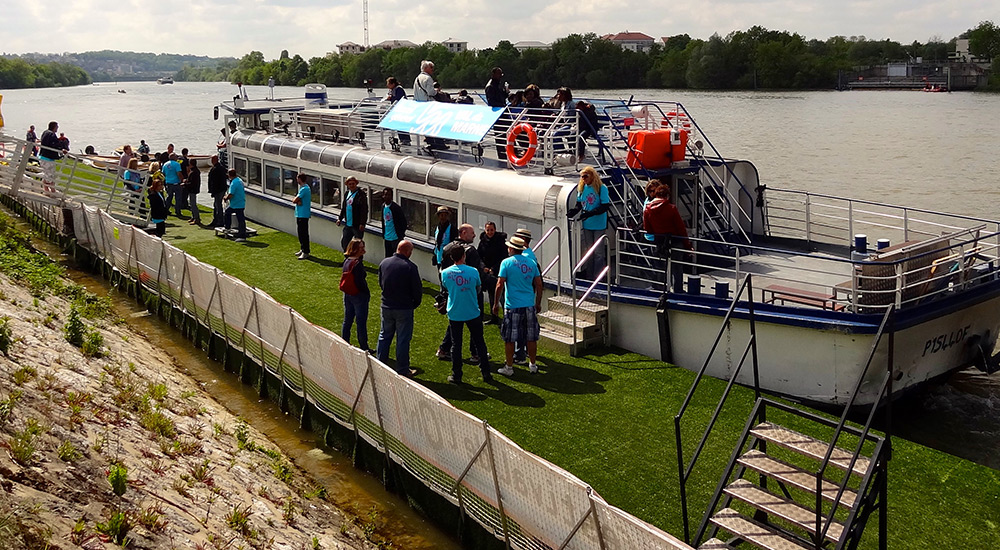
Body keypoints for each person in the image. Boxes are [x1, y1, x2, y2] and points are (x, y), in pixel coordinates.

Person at [441, 245, 492, 384]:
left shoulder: (445, 273)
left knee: (456, 345)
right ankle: (486, 373)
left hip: (455, 312)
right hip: (472, 311)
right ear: (464, 256)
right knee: (479, 342)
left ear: (451, 257)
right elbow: (478, 289)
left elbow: (446, 288)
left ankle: (456, 375)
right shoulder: (473, 271)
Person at [494, 236, 543, 375]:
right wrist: (537, 302)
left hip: (512, 306)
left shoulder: (506, 263)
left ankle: (509, 367)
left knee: (510, 338)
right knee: (531, 337)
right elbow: (539, 284)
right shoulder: (531, 263)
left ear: (511, 248)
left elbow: (499, 284)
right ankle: (533, 365)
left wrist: (495, 303)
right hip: (529, 304)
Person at [436, 224, 485, 361]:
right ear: (463, 233)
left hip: (454, 293)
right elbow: (478, 276)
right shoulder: (471, 251)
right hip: (471, 294)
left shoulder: (447, 248)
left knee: (455, 322)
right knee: (475, 324)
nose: (474, 236)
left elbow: (442, 273)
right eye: (472, 233)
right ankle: (475, 353)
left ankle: (444, 349)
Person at [377, 240, 422, 377]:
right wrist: (414, 304)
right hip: (404, 308)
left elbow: (381, 283)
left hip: (386, 305)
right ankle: (402, 369)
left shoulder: (384, 263)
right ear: (407, 251)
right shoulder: (410, 267)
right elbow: (417, 290)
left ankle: (380, 364)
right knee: (402, 339)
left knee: (384, 335)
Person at [643, 183, 691, 290]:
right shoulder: (672, 208)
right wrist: (687, 246)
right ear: (667, 196)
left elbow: (648, 229)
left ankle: (661, 289)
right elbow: (681, 229)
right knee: (677, 267)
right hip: (675, 240)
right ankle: (678, 291)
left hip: (659, 241)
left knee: (660, 267)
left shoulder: (647, 209)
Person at [568, 166, 610, 280]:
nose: (584, 179)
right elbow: (579, 204)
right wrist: (574, 211)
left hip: (599, 223)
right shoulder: (581, 188)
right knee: (589, 251)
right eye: (582, 177)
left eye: (586, 176)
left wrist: (590, 213)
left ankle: (599, 276)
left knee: (598, 252)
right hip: (587, 223)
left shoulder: (601, 188)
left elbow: (605, 206)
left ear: (592, 176)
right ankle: (590, 275)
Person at [341, 238, 371, 353]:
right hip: (359, 296)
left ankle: (344, 341)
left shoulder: (347, 261)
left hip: (348, 294)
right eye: (361, 248)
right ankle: (364, 346)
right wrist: (366, 293)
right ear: (355, 249)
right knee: (361, 322)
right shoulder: (357, 264)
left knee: (347, 320)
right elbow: (360, 282)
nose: (363, 250)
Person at [477, 221, 508, 325]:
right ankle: (494, 317)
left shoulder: (501, 241)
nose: (490, 232)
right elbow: (479, 256)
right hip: (487, 273)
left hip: (499, 272)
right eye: (488, 230)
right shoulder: (482, 241)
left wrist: (494, 268)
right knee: (491, 294)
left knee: (502, 295)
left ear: (495, 230)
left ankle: (506, 317)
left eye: (492, 230)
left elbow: (503, 258)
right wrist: (483, 267)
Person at [413, 60, 446, 150]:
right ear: (426, 68)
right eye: (431, 68)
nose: (433, 70)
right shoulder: (428, 78)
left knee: (426, 125)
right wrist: (437, 91)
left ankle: (430, 142)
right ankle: (439, 144)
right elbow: (431, 92)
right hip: (428, 105)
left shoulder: (417, 78)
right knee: (435, 124)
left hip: (420, 105)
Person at [337, 176, 367, 251]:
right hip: (348, 224)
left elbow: (364, 210)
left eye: (353, 184)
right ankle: (347, 260)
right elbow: (344, 207)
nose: (351, 185)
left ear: (356, 184)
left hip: (357, 225)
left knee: (358, 245)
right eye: (349, 184)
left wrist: (362, 223)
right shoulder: (347, 193)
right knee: (345, 242)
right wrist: (340, 218)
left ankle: (358, 261)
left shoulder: (361, 194)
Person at [38, 121, 64, 192]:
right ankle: (51, 190)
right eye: (57, 127)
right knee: (50, 175)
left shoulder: (45, 133)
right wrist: (61, 150)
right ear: (54, 127)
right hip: (48, 158)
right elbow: (54, 145)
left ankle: (48, 190)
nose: (57, 128)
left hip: (43, 156)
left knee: (47, 174)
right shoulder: (51, 134)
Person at [380, 188, 406, 259]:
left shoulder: (396, 208)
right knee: (388, 257)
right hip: (387, 237)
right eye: (385, 195)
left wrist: (400, 234)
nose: (387, 196)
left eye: (389, 195)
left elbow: (403, 222)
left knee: (396, 257)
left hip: (395, 238)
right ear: (383, 196)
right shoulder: (383, 207)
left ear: (391, 196)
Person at [224, 168, 248, 242]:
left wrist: (225, 198)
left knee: (239, 219)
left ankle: (241, 235)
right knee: (238, 218)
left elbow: (231, 194)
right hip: (239, 202)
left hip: (236, 204)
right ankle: (235, 231)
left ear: (229, 175)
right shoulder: (239, 180)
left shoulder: (234, 183)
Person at [292, 172, 312, 259]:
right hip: (300, 214)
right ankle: (302, 248)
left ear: (300, 179)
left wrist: (297, 200)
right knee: (300, 233)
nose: (296, 180)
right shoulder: (303, 188)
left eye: (297, 178)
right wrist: (298, 201)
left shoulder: (305, 189)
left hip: (303, 214)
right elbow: (297, 200)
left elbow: (295, 200)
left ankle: (306, 251)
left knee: (303, 233)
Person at [385, 77, 410, 145]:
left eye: (388, 84)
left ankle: (406, 140)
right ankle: (402, 139)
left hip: (402, 109)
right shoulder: (392, 90)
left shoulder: (399, 89)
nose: (387, 85)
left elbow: (399, 98)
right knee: (398, 124)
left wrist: (391, 98)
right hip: (396, 109)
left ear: (393, 84)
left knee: (402, 124)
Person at [207, 155, 227, 227]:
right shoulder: (221, 168)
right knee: (216, 205)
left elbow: (214, 182)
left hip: (218, 190)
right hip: (221, 189)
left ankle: (220, 221)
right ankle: (216, 220)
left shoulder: (216, 169)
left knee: (218, 206)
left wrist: (213, 191)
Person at [161, 153, 184, 217]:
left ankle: (166, 209)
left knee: (169, 197)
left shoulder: (165, 164)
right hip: (176, 183)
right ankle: (177, 211)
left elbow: (163, 174)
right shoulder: (177, 164)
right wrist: (182, 180)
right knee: (178, 198)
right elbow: (179, 173)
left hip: (168, 183)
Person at [184, 159, 202, 225]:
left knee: (193, 204)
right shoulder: (194, 171)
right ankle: (194, 216)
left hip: (193, 190)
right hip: (193, 189)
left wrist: (185, 184)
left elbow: (192, 183)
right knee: (191, 204)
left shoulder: (194, 172)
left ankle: (197, 218)